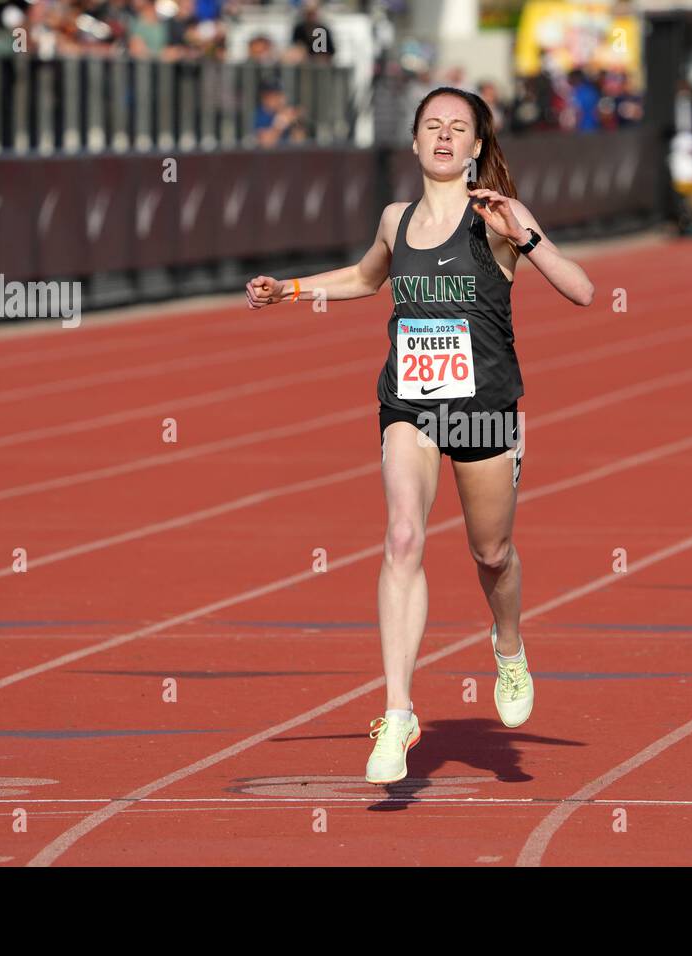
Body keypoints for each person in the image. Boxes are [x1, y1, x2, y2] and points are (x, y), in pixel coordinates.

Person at [244, 87, 595, 785]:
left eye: (456, 129)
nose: (442, 137)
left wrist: (520, 231)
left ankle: (509, 644)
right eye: (431, 126)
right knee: (403, 537)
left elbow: (582, 289)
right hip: (408, 404)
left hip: (485, 408)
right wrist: (289, 290)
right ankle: (399, 711)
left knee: (491, 553)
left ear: (475, 147)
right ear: (412, 143)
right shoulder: (395, 218)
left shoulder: (498, 216)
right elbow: (365, 278)